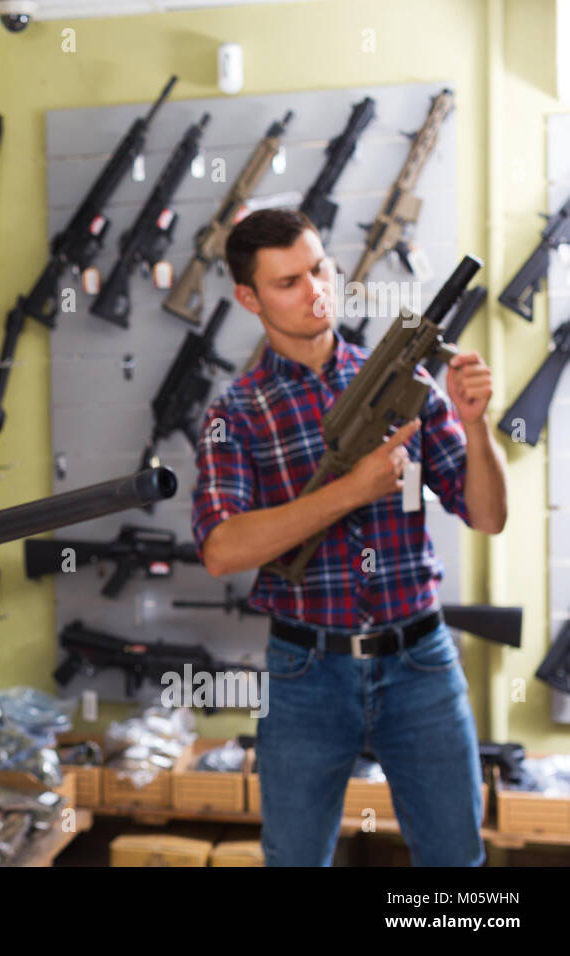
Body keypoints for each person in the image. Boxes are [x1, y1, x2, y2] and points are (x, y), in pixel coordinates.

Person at [190, 208, 507, 866]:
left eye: (319, 269)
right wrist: (351, 491)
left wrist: (478, 426)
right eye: (288, 282)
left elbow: (487, 515)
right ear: (248, 298)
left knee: (457, 865)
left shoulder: (410, 384)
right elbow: (222, 549)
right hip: (305, 671)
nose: (316, 291)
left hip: (420, 657)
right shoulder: (236, 413)